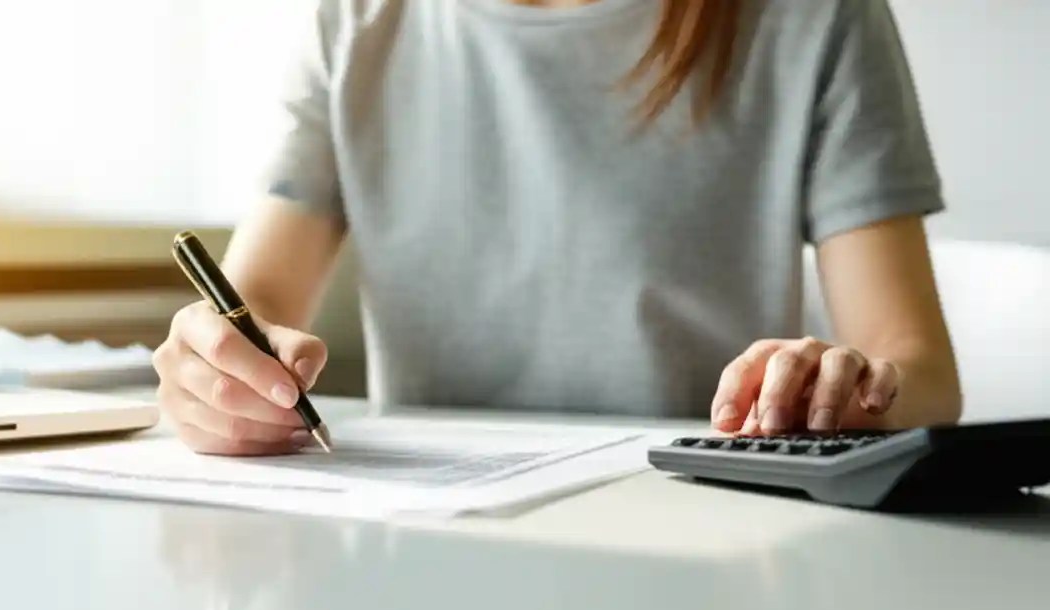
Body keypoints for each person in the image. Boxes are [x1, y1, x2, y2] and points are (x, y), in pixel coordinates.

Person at [152, 0, 963, 456]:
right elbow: (250, 305)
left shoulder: (816, 19)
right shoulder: (355, 22)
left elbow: (921, 372)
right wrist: (219, 378)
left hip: (705, 521)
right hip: (432, 541)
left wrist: (844, 392)